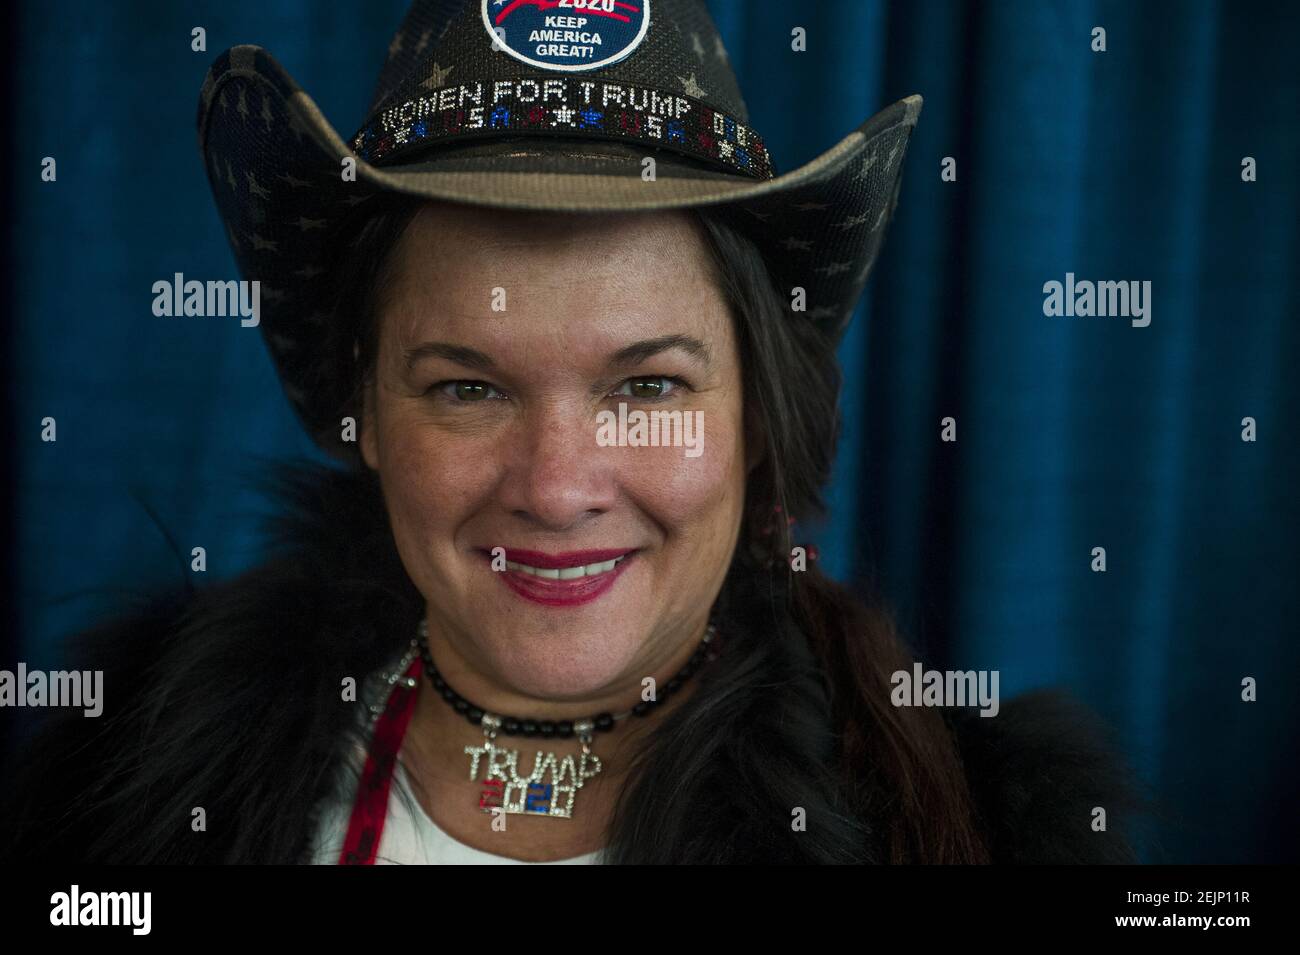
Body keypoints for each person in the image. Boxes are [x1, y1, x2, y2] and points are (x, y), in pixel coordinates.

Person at [1, 0, 1144, 864]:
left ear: (757, 421)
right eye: (467, 388)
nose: (555, 489)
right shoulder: (120, 792)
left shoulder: (984, 827)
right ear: (365, 417)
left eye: (646, 388)